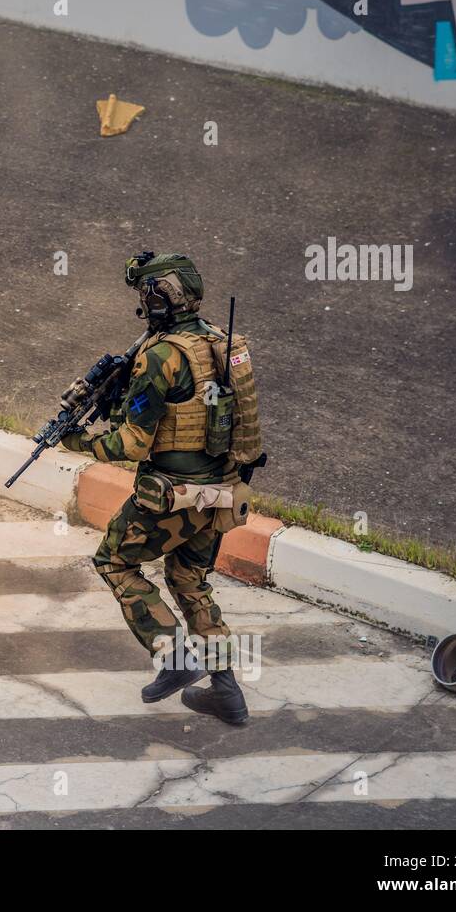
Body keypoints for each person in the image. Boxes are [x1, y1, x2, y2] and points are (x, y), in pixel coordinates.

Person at [59, 253, 263, 725]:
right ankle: (227, 692)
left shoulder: (160, 357)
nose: (143, 305)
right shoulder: (223, 344)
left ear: (160, 298)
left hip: (172, 495)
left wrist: (81, 441)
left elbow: (133, 443)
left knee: (114, 561)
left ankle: (173, 657)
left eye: (145, 296)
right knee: (190, 580)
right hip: (224, 491)